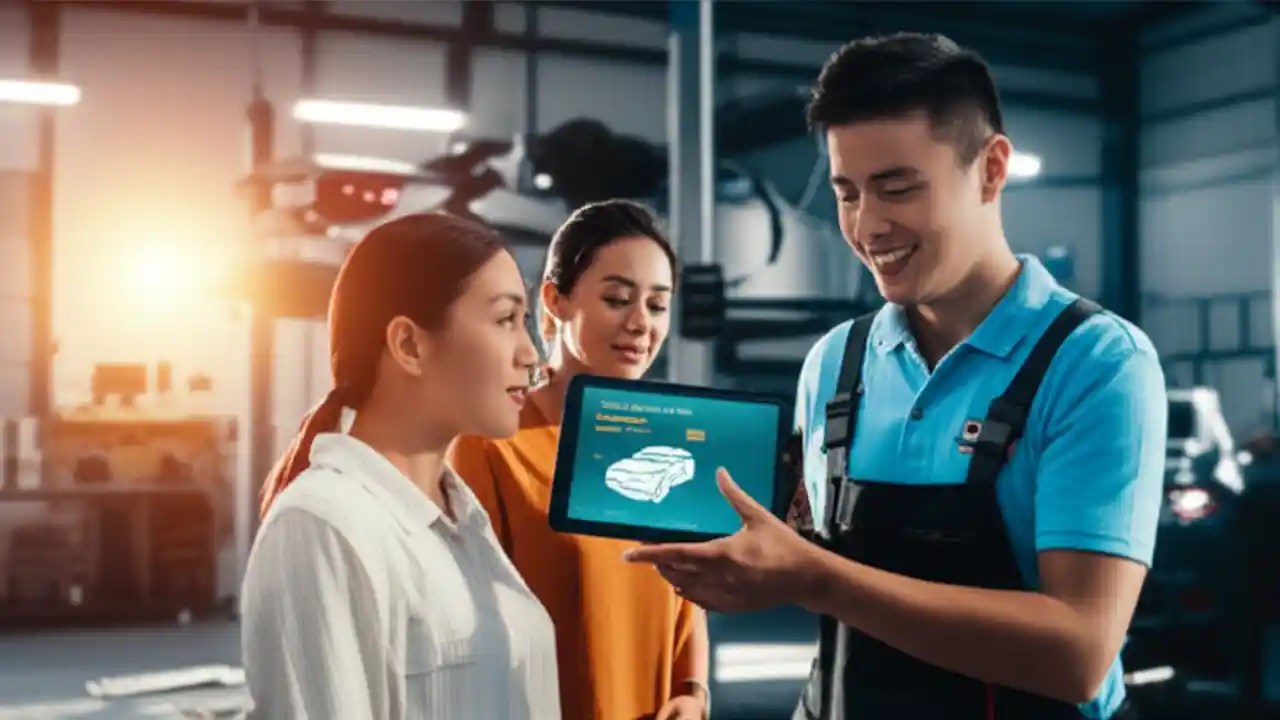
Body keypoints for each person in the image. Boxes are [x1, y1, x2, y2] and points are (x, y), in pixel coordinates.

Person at [626, 33, 1165, 720]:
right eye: (847, 194)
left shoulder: (1095, 364)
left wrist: (815, 579)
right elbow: (827, 588)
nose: (867, 225)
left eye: (897, 189)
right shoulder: (835, 363)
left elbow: (1078, 656)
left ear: (991, 169)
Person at [240, 212, 559, 719]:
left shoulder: (463, 521)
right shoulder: (323, 526)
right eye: (505, 320)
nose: (531, 355)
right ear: (409, 345)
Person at [447, 199, 711, 720]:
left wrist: (695, 692)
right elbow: (465, 629)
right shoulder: (493, 442)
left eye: (658, 305)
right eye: (617, 299)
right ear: (555, 300)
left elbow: (688, 592)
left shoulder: (665, 440)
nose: (640, 323)